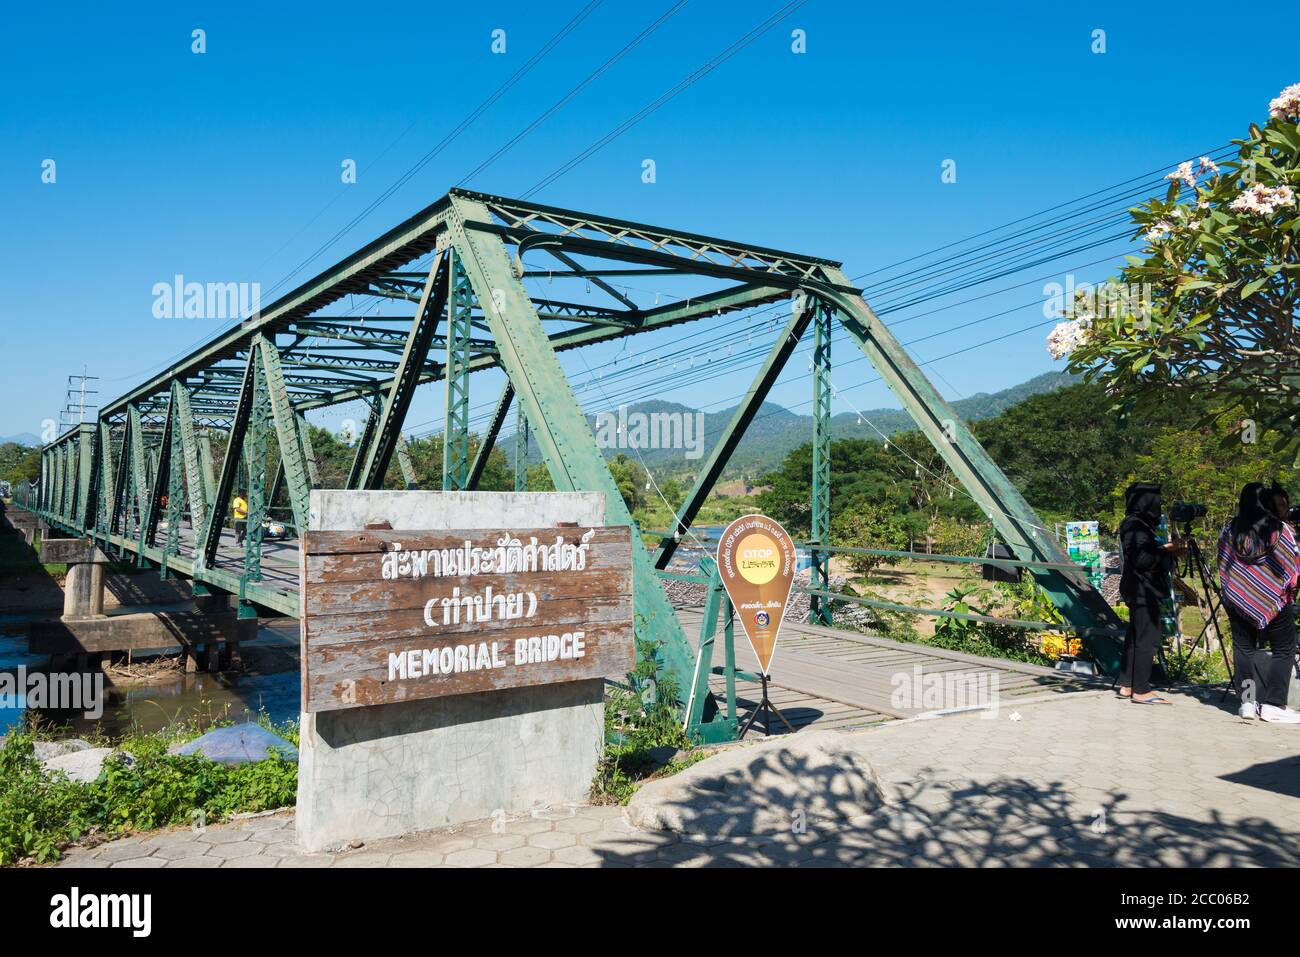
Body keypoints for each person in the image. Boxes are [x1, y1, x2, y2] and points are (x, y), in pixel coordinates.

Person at [1218, 482, 1300, 723]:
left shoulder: (1230, 530)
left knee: (1245, 649)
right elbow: (1292, 562)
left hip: (1239, 600)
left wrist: (1236, 590)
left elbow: (1222, 562)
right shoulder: (1280, 529)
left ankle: (1247, 702)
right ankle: (1274, 705)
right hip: (1274, 600)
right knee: (1283, 649)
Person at [1117, 482, 1185, 704]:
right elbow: (1142, 559)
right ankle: (1141, 689)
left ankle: (1127, 684)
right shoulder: (1135, 526)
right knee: (1148, 637)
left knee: (1136, 635)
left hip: (1139, 588)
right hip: (1142, 589)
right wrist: (1169, 549)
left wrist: (1167, 551)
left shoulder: (1136, 524)